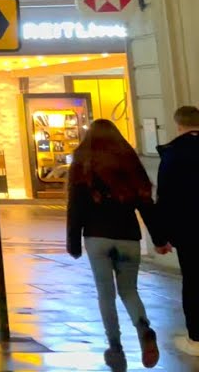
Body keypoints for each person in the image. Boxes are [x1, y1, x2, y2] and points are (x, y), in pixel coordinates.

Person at [66, 119, 164, 370]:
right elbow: (146, 204)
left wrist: (73, 241)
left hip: (97, 237)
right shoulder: (128, 162)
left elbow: (76, 206)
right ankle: (143, 328)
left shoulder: (84, 162)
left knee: (105, 293)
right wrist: (160, 239)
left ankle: (115, 345)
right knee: (129, 290)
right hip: (128, 236)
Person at [157, 105, 199, 356]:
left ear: (178, 124)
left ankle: (196, 338)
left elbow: (166, 199)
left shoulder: (173, 154)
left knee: (193, 281)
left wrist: (162, 237)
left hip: (190, 231)